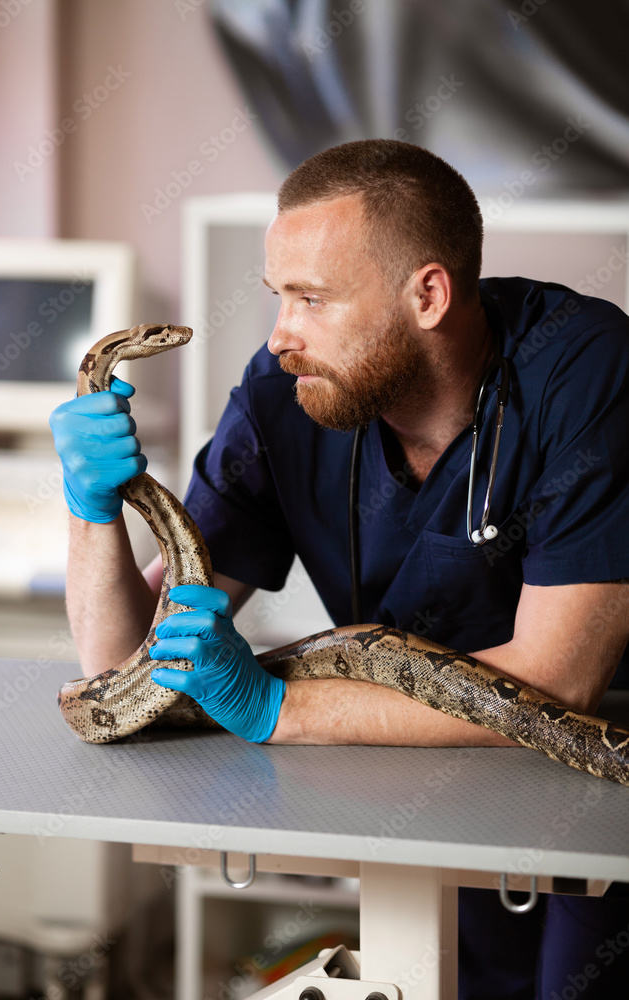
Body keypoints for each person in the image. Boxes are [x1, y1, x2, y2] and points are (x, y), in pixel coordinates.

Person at [50, 140, 629, 999]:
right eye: (278, 297)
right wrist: (92, 511)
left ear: (426, 294)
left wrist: (274, 707)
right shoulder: (284, 396)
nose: (281, 336)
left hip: (599, 796)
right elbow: (119, 671)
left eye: (312, 300)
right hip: (422, 782)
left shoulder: (584, 371)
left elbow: (561, 682)